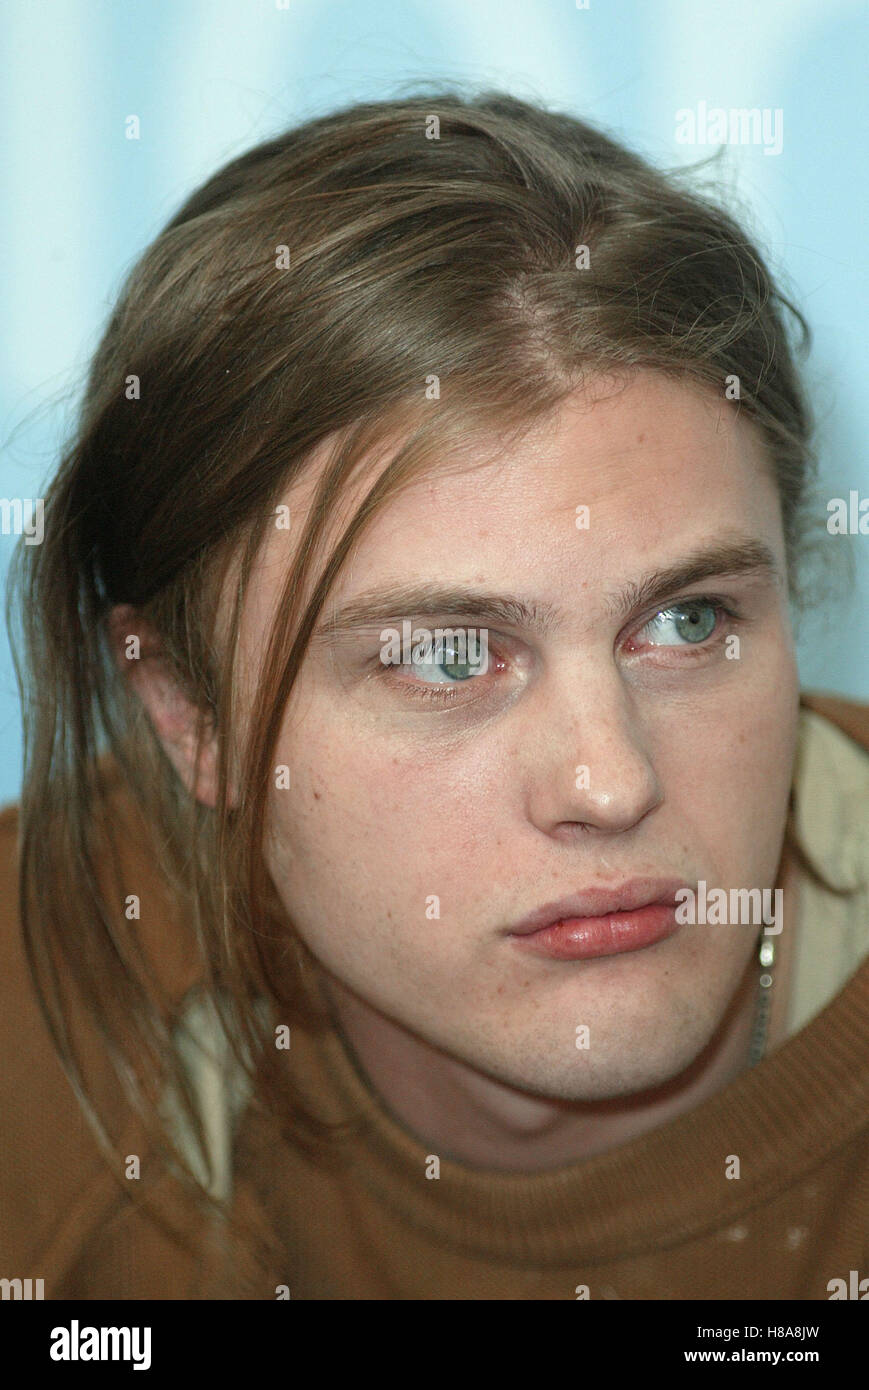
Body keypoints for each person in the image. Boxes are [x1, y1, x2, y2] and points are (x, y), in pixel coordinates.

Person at [1, 89, 866, 1301]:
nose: (608, 782)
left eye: (686, 621)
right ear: (188, 719)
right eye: (448, 657)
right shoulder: (33, 1066)